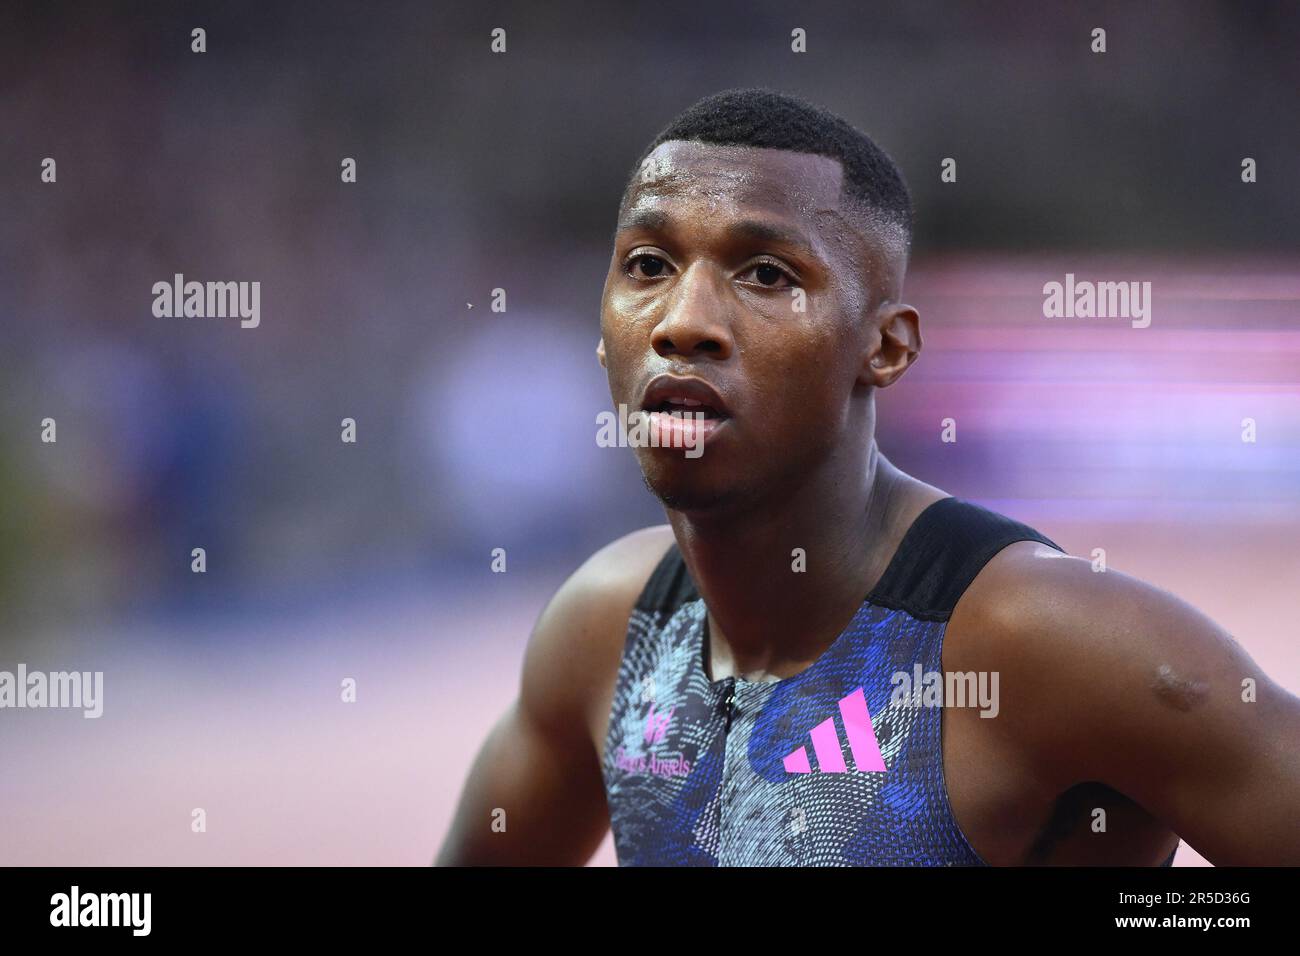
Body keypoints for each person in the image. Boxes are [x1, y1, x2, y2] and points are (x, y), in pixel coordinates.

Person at [437, 88, 1300, 866]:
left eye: (767, 275)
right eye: (648, 266)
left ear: (884, 348)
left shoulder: (1047, 644)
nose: (683, 321)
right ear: (601, 331)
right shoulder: (605, 635)